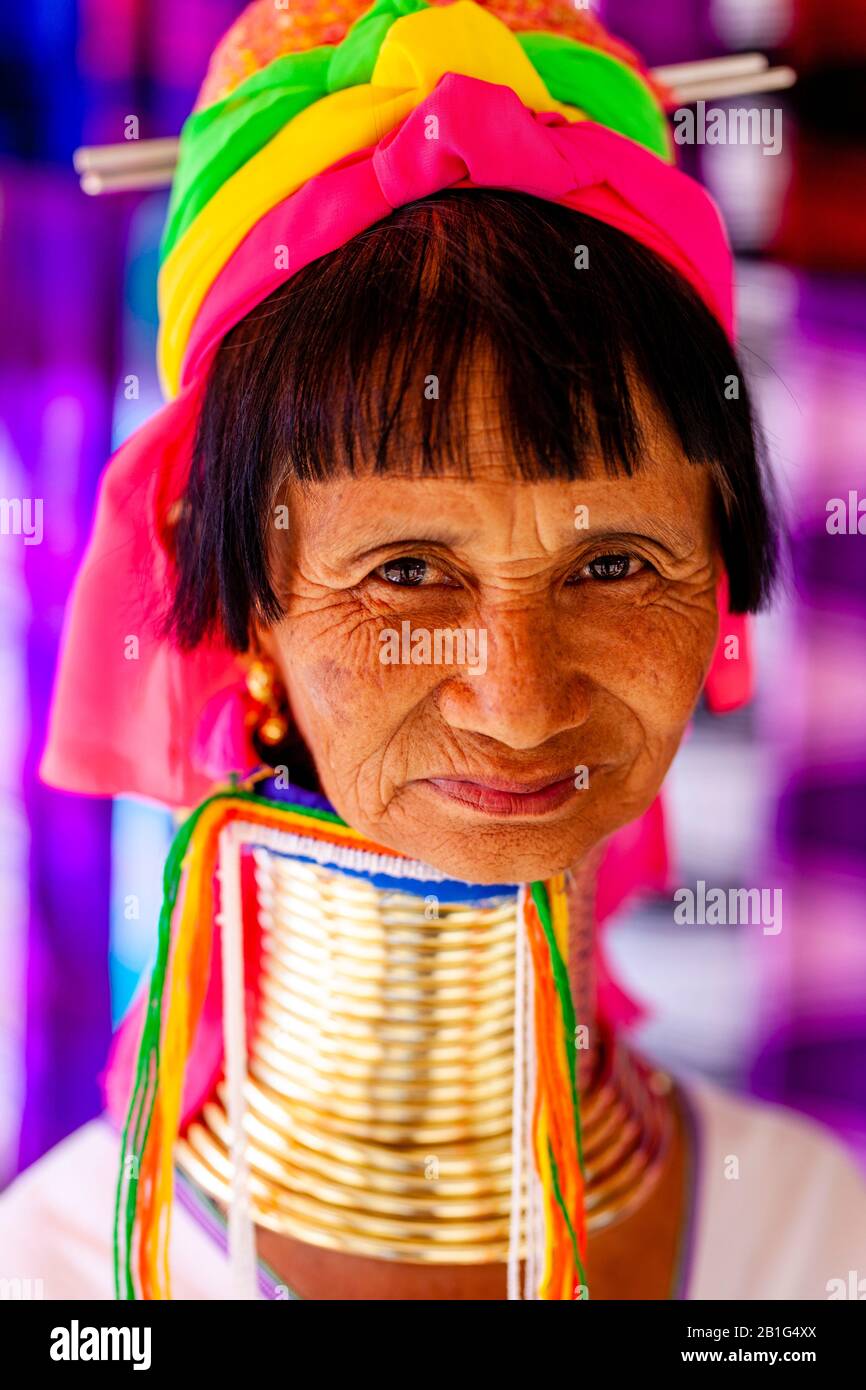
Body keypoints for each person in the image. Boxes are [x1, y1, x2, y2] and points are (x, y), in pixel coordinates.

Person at [2, 0, 865, 1301]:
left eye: (614, 564)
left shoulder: (813, 1244)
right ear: (237, 597)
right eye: (404, 570)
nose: (518, 702)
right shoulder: (58, 1278)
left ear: (723, 589)